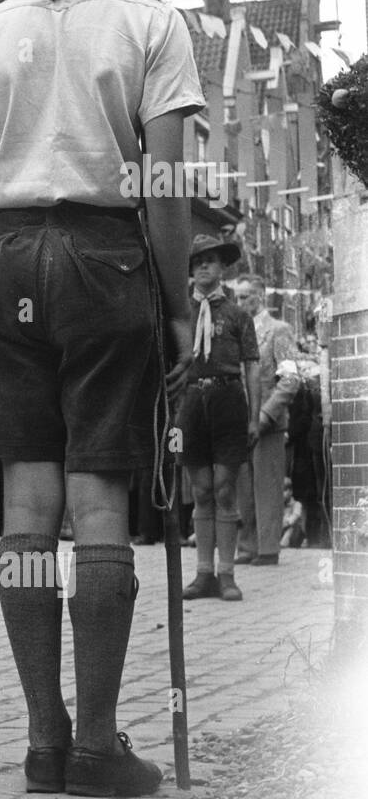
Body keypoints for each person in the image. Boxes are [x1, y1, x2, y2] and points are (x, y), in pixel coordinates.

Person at [0, 0, 203, 797]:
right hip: (102, 260)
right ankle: (98, 742)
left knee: (26, 503)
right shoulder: (149, 26)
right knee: (99, 499)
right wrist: (176, 306)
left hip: (6, 257)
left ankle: (42, 739)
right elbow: (169, 181)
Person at [176, 237, 260, 602]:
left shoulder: (238, 315)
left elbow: (252, 368)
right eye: (197, 263)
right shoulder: (179, 315)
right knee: (200, 490)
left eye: (210, 261)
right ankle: (202, 574)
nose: (204, 268)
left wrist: (254, 417)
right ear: (190, 270)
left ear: (222, 267)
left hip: (229, 399)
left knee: (225, 487)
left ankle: (226, 574)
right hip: (191, 400)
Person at [233, 274, 302, 567]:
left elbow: (290, 378)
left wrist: (265, 413)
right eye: (236, 297)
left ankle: (268, 548)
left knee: (267, 485)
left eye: (245, 296)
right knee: (242, 488)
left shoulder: (278, 330)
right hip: (239, 421)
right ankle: (246, 546)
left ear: (260, 295)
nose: (239, 302)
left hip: (268, 423)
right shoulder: (237, 333)